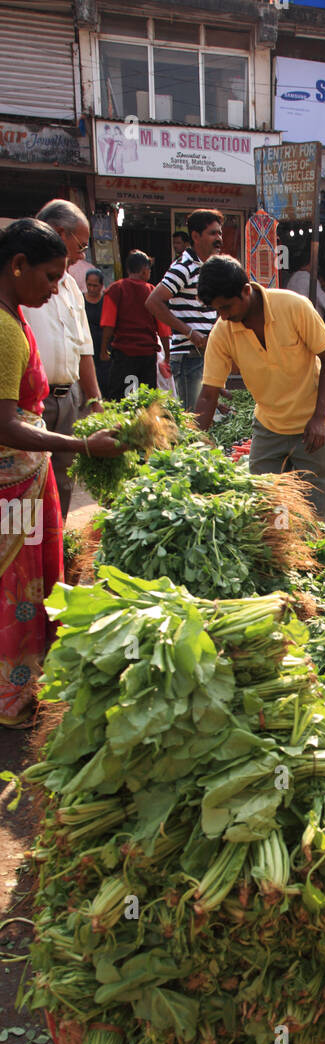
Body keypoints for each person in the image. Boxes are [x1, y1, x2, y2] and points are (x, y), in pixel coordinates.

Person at [0, 220, 121, 724]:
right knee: (17, 589)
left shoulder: (13, 315)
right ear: (17, 266)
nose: (56, 288)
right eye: (50, 276)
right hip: (11, 491)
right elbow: (6, 423)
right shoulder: (4, 330)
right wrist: (81, 445)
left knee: (28, 584)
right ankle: (14, 698)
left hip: (24, 484)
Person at [193, 255, 325, 527]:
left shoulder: (293, 306)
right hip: (269, 426)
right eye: (217, 310)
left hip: (314, 425)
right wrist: (192, 442)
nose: (223, 316)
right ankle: (281, 560)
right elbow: (208, 394)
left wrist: (319, 417)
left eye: (226, 307)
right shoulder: (223, 331)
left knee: (318, 514)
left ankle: (321, 563)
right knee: (268, 510)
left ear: (246, 291)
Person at [22, 199, 103, 521]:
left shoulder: (70, 285)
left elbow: (84, 348)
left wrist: (95, 398)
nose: (83, 255)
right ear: (58, 233)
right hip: (26, 401)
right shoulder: (22, 280)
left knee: (62, 482)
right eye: (81, 245)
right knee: (26, 485)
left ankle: (57, 554)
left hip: (68, 397)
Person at [145, 209, 223, 410]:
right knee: (192, 420)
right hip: (189, 356)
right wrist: (189, 332)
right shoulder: (184, 266)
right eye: (213, 233)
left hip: (203, 355)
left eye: (219, 233)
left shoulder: (207, 266)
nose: (219, 238)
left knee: (204, 418)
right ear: (196, 236)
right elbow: (153, 302)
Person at [100, 250, 169, 399]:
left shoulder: (115, 289)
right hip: (147, 356)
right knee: (146, 403)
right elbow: (163, 330)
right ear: (145, 271)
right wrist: (167, 357)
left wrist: (103, 350)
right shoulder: (153, 293)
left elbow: (108, 325)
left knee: (120, 401)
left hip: (123, 355)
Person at [287, 260, 325, 327]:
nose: (317, 267)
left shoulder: (293, 278)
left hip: (293, 318)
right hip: (309, 320)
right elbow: (322, 298)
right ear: (308, 265)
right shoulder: (310, 278)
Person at [83, 267, 110, 396]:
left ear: (101, 285)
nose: (92, 289)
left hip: (104, 348)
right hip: (86, 346)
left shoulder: (106, 301)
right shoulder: (80, 300)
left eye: (95, 285)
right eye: (89, 285)